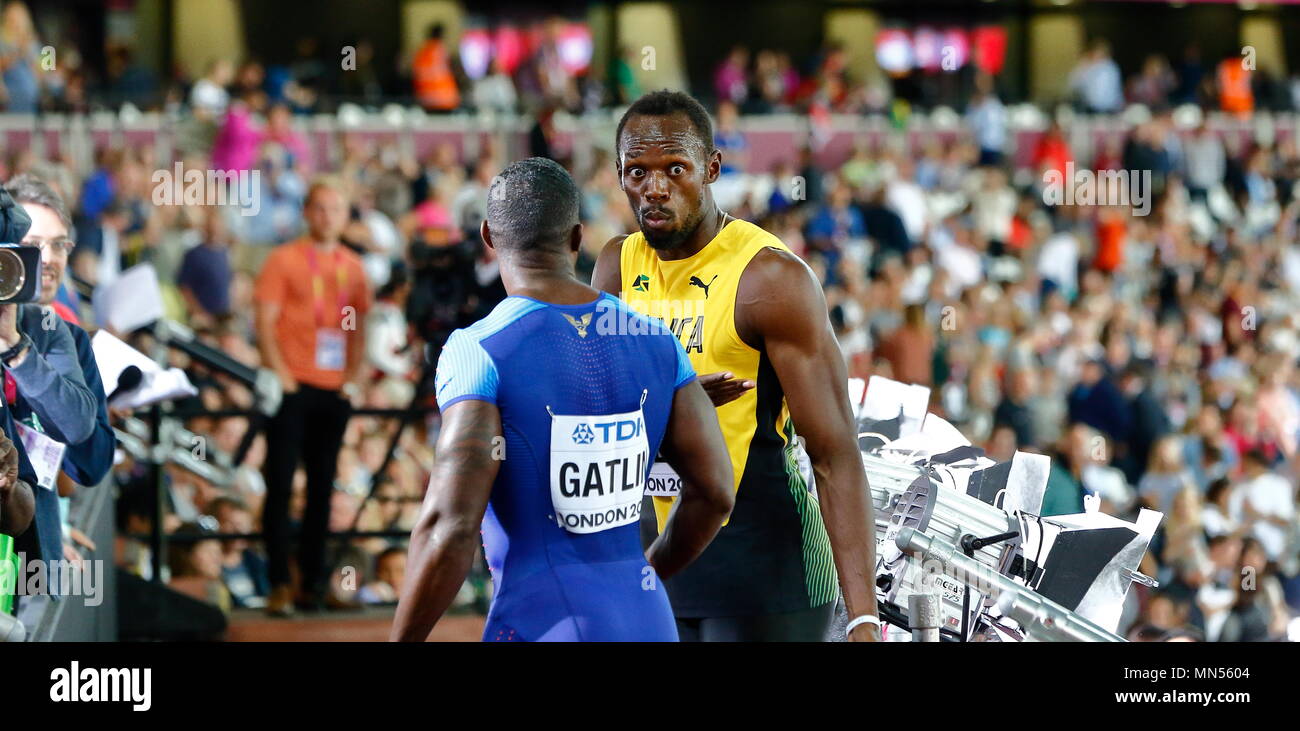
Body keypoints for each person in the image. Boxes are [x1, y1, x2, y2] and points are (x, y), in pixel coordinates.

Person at [391, 158, 734, 642]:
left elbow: (449, 527)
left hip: (539, 621)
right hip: (648, 618)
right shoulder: (658, 341)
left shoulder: (478, 350)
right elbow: (716, 493)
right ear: (577, 238)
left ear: (489, 236)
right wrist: (643, 574)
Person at [592, 90, 882, 642]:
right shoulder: (617, 268)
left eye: (675, 168)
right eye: (637, 172)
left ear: (711, 168)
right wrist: (674, 404)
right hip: (658, 566)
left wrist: (863, 618)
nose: (655, 188)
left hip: (766, 574)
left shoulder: (769, 279)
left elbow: (835, 452)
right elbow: (599, 418)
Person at [254, 178, 372, 616]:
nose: (328, 216)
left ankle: (314, 584)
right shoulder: (283, 259)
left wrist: (353, 377)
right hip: (292, 386)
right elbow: (264, 321)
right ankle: (279, 584)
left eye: (336, 208)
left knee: (323, 488)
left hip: (334, 388)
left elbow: (355, 324)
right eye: (320, 208)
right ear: (306, 212)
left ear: (345, 215)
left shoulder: (353, 267)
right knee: (280, 484)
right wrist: (281, 373)